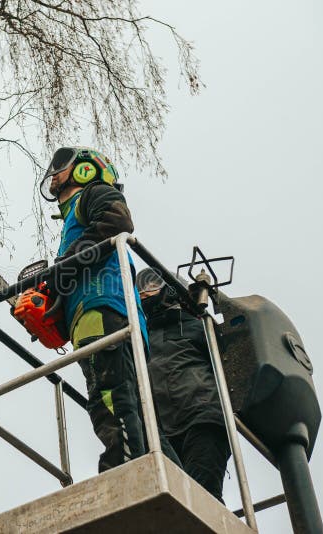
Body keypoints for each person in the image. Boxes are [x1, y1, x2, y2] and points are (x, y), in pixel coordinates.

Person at [39, 146, 180, 473]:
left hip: (102, 311)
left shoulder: (94, 194)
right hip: (102, 316)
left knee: (111, 398)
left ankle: (124, 469)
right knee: (144, 418)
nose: (54, 175)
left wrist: (65, 267)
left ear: (84, 169)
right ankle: (179, 482)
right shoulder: (74, 217)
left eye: (60, 167)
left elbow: (118, 220)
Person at [136, 267, 231, 502]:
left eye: (151, 286)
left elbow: (231, 364)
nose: (145, 293)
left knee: (202, 499)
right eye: (141, 289)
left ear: (170, 290)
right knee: (173, 503)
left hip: (202, 419)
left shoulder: (196, 325)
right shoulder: (140, 338)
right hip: (163, 432)